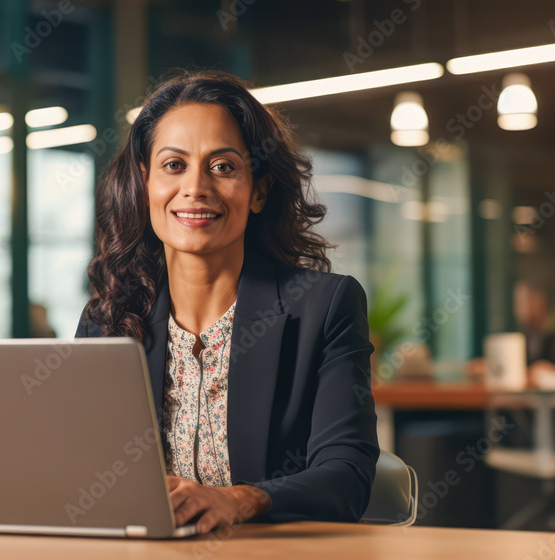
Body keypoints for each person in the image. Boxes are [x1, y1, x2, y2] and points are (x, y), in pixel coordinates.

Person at [75, 70, 378, 534]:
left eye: (223, 167)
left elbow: (347, 478)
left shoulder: (324, 308)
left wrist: (239, 499)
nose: (196, 187)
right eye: (174, 165)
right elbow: (80, 475)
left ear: (258, 191)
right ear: (145, 184)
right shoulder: (108, 321)